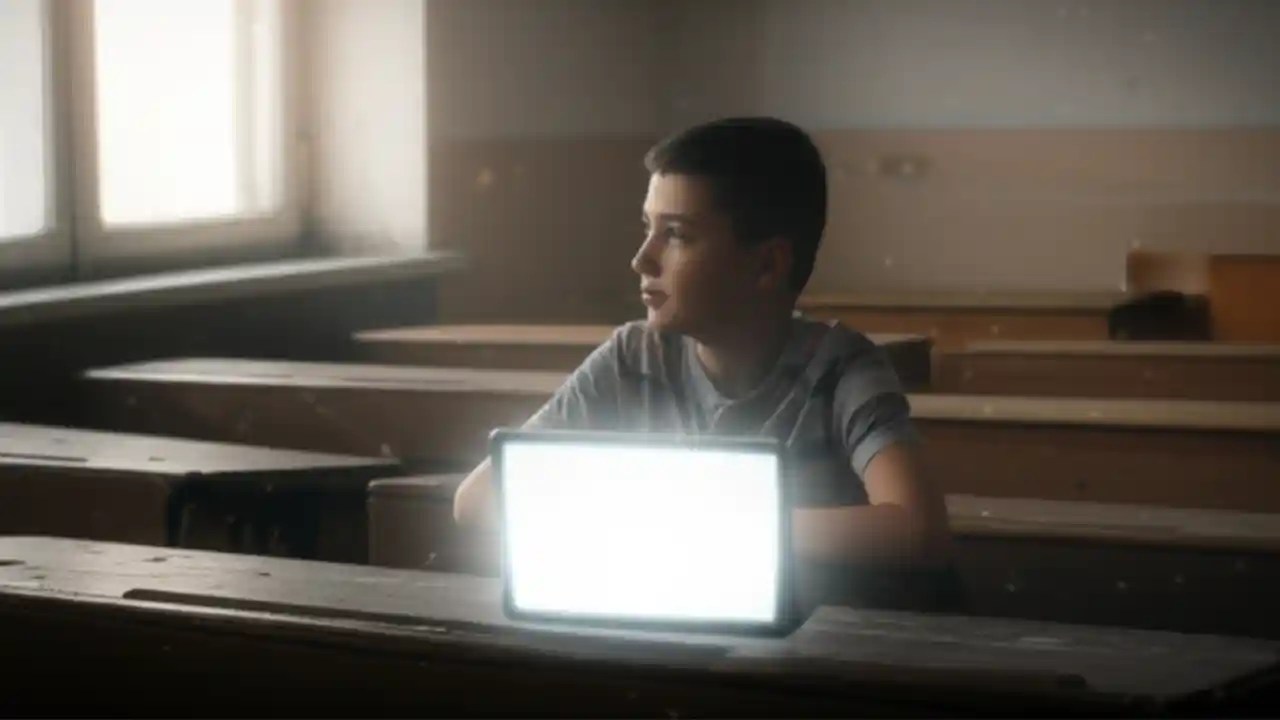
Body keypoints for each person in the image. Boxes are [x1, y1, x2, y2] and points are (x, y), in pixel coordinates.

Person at [453, 117, 963, 612]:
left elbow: (916, 528)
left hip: (814, 664)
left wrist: (706, 523)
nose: (642, 259)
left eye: (675, 234)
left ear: (766, 265)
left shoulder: (841, 368)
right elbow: (476, 501)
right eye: (647, 228)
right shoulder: (632, 359)